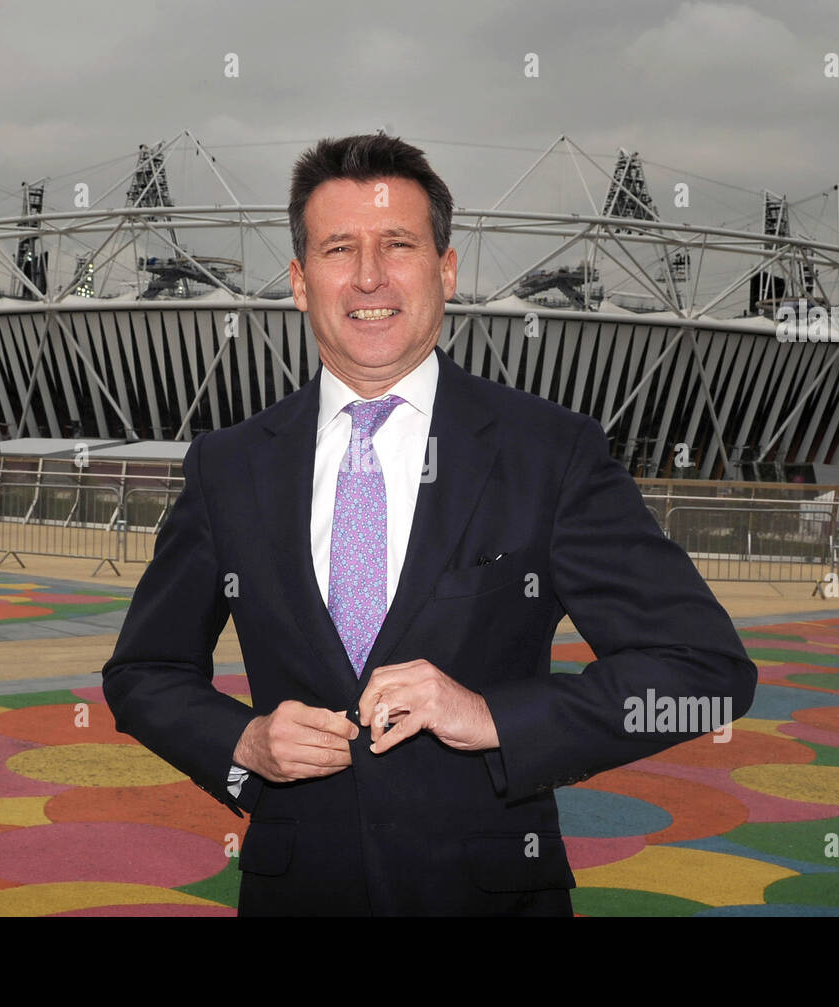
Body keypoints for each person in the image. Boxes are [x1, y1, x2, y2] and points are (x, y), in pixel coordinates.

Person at [101, 134, 757, 916]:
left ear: (446, 270)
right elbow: (143, 671)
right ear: (301, 281)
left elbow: (706, 671)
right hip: (297, 892)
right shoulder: (228, 466)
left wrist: (491, 717)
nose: (369, 276)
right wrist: (241, 744)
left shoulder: (547, 452)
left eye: (398, 245)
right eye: (339, 248)